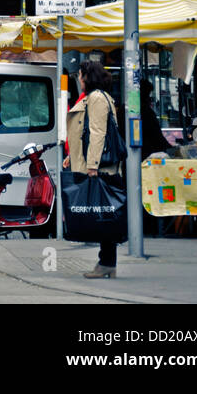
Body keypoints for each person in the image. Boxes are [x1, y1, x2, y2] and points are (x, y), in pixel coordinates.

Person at [64, 61, 123, 278]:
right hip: (98, 164)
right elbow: (85, 132)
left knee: (104, 213)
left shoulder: (97, 98)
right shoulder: (97, 97)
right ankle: (106, 263)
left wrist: (92, 165)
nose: (79, 79)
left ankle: (106, 263)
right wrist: (72, 156)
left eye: (80, 75)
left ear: (88, 77)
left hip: (100, 167)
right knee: (104, 212)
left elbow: (97, 132)